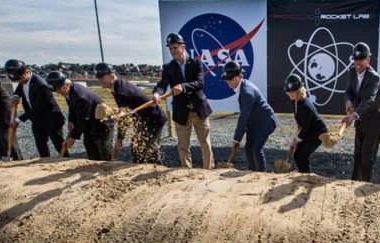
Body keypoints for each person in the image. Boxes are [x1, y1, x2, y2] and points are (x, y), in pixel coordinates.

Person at [152, 33, 214, 169]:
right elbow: (162, 84)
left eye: (175, 47)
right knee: (183, 146)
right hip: (181, 112)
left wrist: (183, 86)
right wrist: (157, 93)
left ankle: (208, 171)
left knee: (205, 144)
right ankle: (186, 173)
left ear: (183, 47)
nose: (173, 51)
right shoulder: (168, 67)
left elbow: (199, 83)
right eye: (171, 48)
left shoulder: (196, 63)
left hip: (199, 110)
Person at [95, 62, 167, 164]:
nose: (100, 81)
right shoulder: (118, 86)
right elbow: (125, 114)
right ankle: (140, 166)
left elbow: (125, 117)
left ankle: (155, 168)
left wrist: (120, 139)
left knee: (149, 146)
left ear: (111, 75)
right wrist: (120, 138)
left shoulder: (121, 91)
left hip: (153, 118)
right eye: (98, 78)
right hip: (143, 118)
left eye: (102, 77)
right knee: (136, 145)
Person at [342, 42, 380, 182]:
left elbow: (368, 100)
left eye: (362, 60)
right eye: (356, 60)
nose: (358, 63)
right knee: (357, 155)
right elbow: (348, 91)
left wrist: (354, 115)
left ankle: (366, 184)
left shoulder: (374, 78)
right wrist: (348, 102)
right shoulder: (352, 71)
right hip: (361, 120)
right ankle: (354, 182)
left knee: (367, 158)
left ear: (368, 60)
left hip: (374, 121)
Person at [222, 60, 278, 171]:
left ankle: (261, 175)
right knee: (248, 148)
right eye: (226, 79)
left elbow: (243, 118)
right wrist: (239, 137)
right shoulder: (241, 85)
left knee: (256, 149)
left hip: (266, 123)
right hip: (254, 122)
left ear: (238, 77)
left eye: (230, 79)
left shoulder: (247, 92)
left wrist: (237, 138)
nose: (228, 81)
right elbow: (245, 117)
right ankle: (252, 172)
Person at [5, 59, 66, 158]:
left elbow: (39, 108)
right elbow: (20, 87)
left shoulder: (40, 84)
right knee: (41, 144)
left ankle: (66, 161)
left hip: (51, 118)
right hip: (37, 119)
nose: (19, 81)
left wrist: (18, 120)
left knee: (58, 144)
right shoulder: (22, 80)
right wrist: (16, 95)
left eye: (20, 79)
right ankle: (44, 164)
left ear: (27, 72)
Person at [46, 71, 111, 160]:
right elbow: (72, 109)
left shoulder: (80, 96)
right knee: (91, 149)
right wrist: (71, 121)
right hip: (90, 124)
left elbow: (83, 118)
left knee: (102, 151)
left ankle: (105, 170)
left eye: (58, 89)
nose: (58, 92)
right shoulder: (69, 91)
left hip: (101, 124)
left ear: (66, 84)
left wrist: (73, 137)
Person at [284, 74, 327, 173]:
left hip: (318, 133)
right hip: (307, 132)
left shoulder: (305, 105)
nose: (290, 94)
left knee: (303, 155)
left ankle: (306, 177)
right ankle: (303, 174)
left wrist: (297, 140)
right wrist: (296, 138)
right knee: (297, 155)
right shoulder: (294, 101)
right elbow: (302, 124)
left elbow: (306, 126)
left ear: (299, 90)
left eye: (293, 92)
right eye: (288, 92)